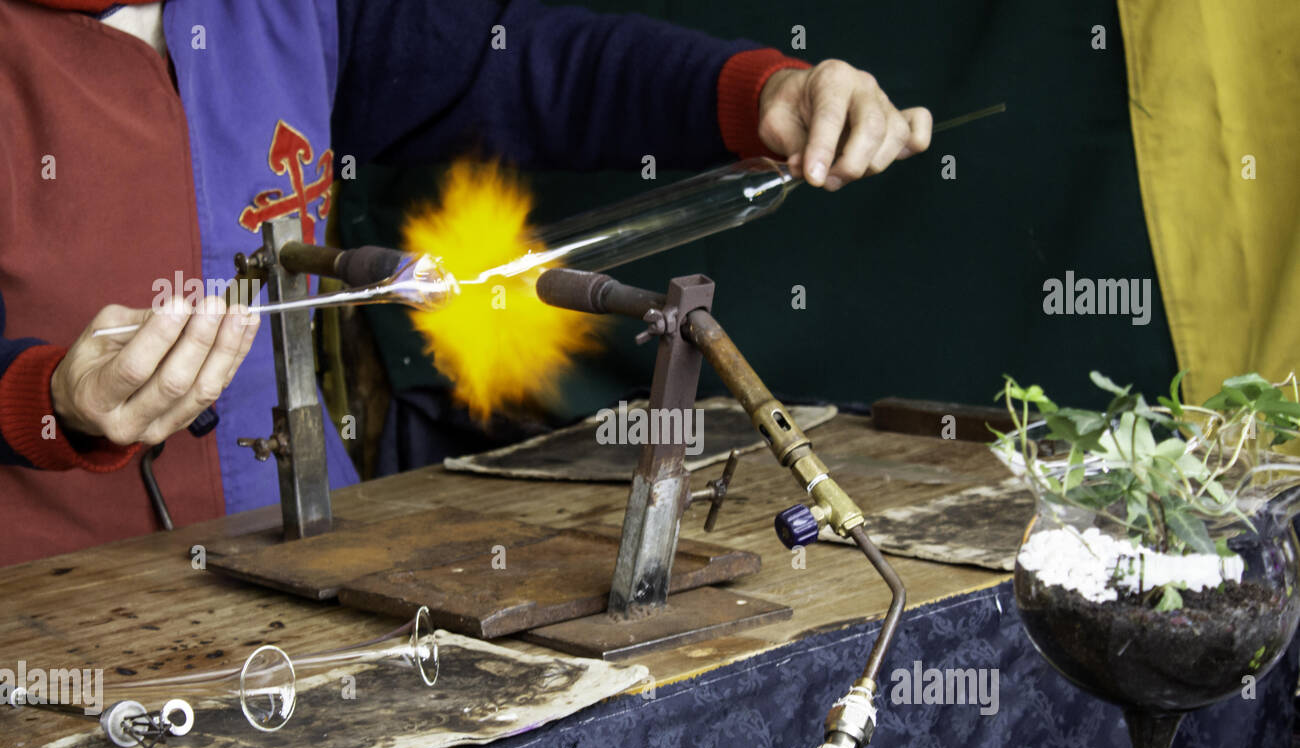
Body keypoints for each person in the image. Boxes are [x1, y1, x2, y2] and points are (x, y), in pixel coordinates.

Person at [0, 0, 931, 566]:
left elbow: (520, 64)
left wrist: (759, 94)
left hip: (286, 567)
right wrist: (44, 399)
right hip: (50, 613)